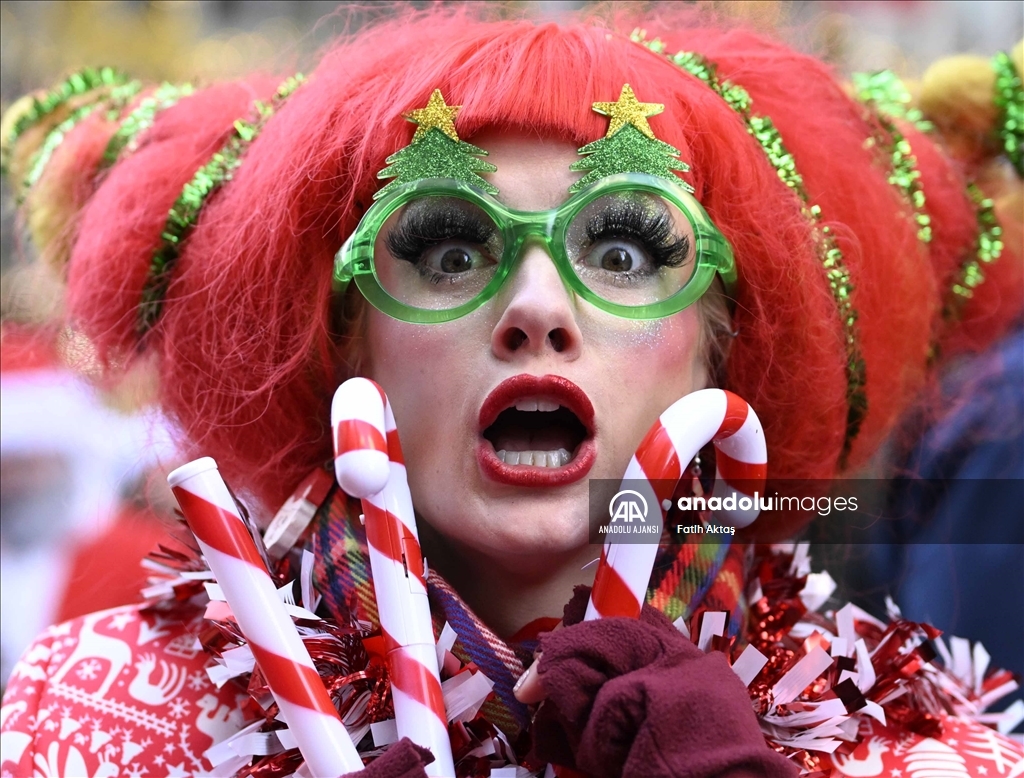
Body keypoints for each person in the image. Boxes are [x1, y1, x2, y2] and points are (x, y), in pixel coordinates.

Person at [1, 7, 1021, 777]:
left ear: (722, 347)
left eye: (624, 249)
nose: (535, 306)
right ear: (349, 342)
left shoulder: (922, 746)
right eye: (448, 251)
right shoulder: (93, 716)